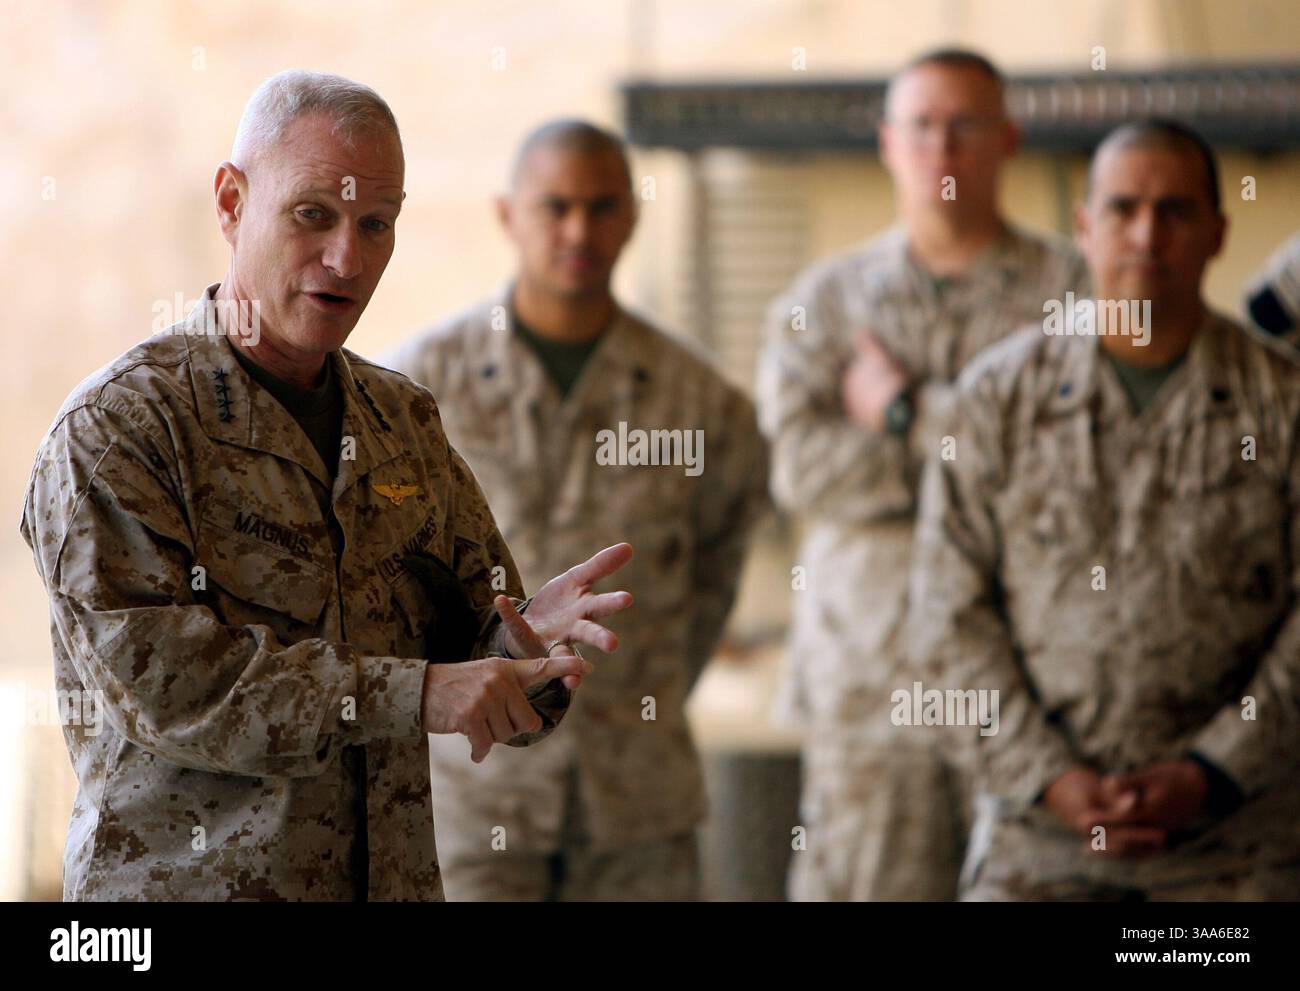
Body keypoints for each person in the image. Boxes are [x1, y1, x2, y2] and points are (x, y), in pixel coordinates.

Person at [19, 70, 632, 902]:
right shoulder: (120, 431)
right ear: (232, 202)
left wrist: (521, 655)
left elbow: (473, 675)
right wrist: (417, 692)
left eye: (376, 224)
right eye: (314, 215)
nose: (348, 257)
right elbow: (173, 691)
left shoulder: (401, 422)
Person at [910, 119, 1300, 900]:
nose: (1147, 234)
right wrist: (1051, 778)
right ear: (1085, 227)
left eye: (1176, 210)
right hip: (1037, 844)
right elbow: (946, 616)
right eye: (1122, 208)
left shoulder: (1282, 403)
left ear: (1219, 231)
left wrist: (1213, 771)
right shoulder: (999, 398)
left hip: (1233, 849)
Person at [383, 119, 769, 900]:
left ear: (631, 216)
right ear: (507, 214)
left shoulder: (700, 400)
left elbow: (714, 572)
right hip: (475, 799)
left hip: (638, 806)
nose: (577, 230)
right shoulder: (422, 388)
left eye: (601, 207)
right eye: (554, 206)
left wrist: (647, 682)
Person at [756, 48, 1087, 900]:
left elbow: (1071, 475)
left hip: (1035, 683)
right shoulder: (823, 302)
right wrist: (977, 444)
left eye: (965, 125)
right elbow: (802, 469)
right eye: (922, 126)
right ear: (887, 143)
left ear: (1007, 139)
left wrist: (900, 412)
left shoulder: (1074, 295)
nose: (942, 147)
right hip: (870, 681)